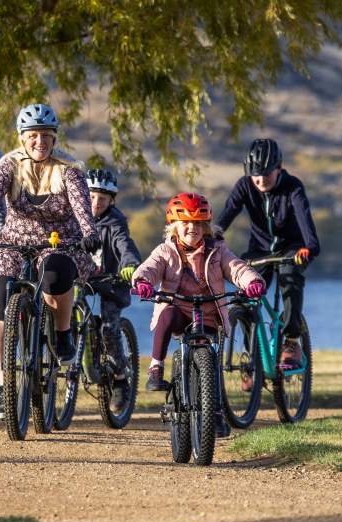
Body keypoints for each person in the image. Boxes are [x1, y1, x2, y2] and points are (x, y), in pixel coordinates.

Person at [0, 103, 100, 420]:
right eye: (33, 136)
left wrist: (89, 233)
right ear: (22, 138)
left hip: (59, 238)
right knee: (0, 303)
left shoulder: (69, 169)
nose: (39, 142)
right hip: (14, 238)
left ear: (54, 138)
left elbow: (81, 208)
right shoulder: (8, 166)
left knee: (57, 273)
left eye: (46, 136)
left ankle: (61, 335)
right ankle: (6, 386)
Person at [130, 192, 265, 438]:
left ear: (206, 227)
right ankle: (156, 367)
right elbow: (149, 267)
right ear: (174, 227)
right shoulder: (165, 250)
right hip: (179, 309)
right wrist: (142, 281)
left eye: (198, 223)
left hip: (209, 311)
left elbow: (236, 268)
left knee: (210, 361)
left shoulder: (218, 249)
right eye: (186, 223)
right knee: (166, 315)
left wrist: (252, 282)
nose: (192, 228)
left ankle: (214, 412)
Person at [214, 138, 320, 371]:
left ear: (279, 168)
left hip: (292, 248)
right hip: (259, 250)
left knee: (289, 279)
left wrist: (309, 247)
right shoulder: (244, 186)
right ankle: (252, 356)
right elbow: (228, 213)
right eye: (255, 175)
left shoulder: (293, 186)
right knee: (245, 295)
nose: (260, 180)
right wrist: (214, 234)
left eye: (266, 174)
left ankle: (291, 341)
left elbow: (305, 220)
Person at [86, 168, 142, 413]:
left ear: (111, 201)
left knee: (109, 327)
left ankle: (120, 378)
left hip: (111, 281)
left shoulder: (115, 221)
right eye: (91, 196)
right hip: (81, 281)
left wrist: (129, 264)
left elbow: (124, 243)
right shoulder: (74, 218)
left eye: (103, 198)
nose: (96, 203)